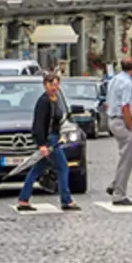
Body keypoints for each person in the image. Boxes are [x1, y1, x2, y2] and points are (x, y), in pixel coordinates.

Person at [17, 72, 79, 213]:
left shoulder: (55, 100)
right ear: (45, 85)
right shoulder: (44, 101)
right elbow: (38, 125)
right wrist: (42, 145)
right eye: (51, 84)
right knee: (63, 167)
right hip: (49, 140)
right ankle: (66, 200)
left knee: (37, 169)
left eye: (56, 85)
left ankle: (23, 199)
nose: (54, 87)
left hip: (54, 138)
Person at [104, 57, 132, 206]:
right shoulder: (127, 83)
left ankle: (115, 184)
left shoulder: (114, 80)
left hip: (112, 119)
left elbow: (107, 103)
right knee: (128, 156)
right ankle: (119, 193)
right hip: (121, 120)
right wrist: (129, 125)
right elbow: (125, 106)